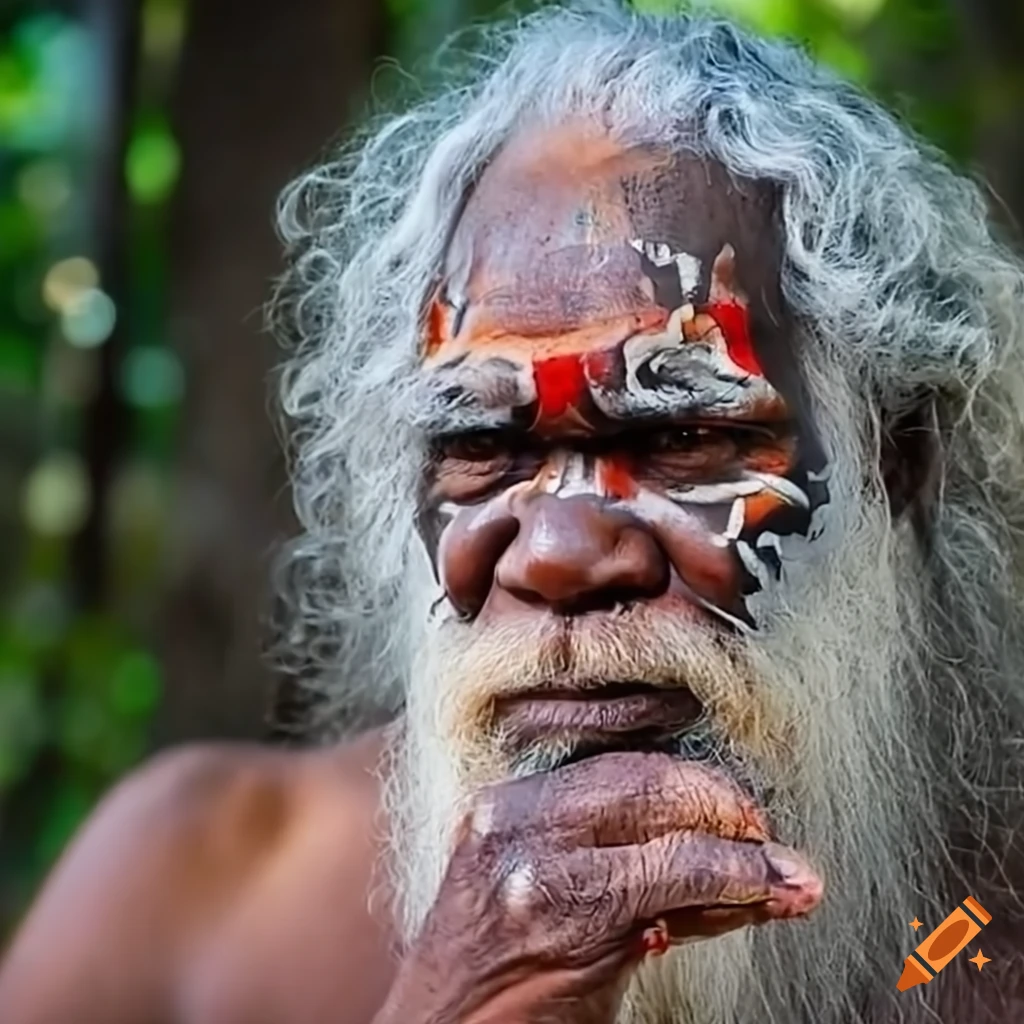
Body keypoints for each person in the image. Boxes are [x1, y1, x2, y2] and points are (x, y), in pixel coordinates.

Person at [3, 3, 1024, 1021]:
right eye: (481, 448)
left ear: (901, 461)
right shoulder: (195, 893)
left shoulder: (986, 934)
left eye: (679, 437)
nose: (562, 553)